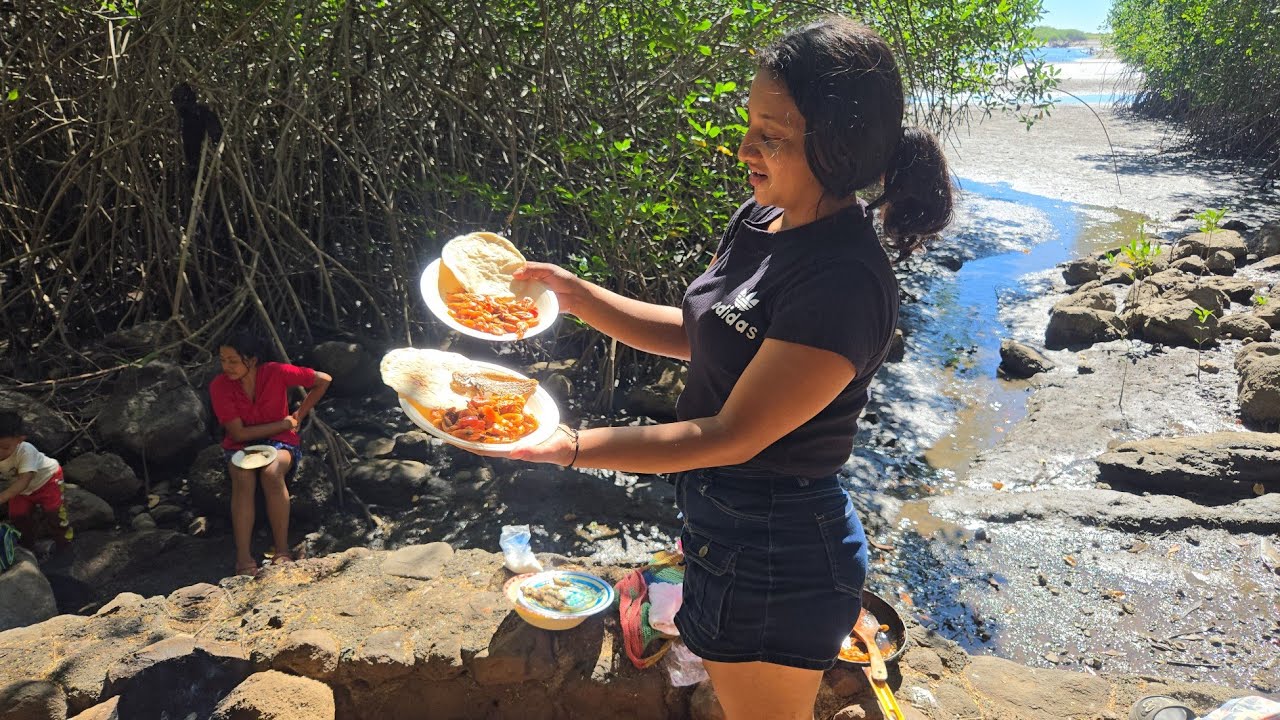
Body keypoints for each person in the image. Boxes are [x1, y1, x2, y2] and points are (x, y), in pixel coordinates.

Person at [473, 16, 953, 720]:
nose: (744, 150)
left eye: (773, 136)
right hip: (722, 528)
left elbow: (729, 434)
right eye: (749, 125)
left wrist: (574, 448)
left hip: (780, 552)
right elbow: (707, 335)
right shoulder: (762, 221)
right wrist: (575, 296)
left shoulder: (844, 281)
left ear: (839, 146)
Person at [209, 331, 331, 576]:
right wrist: (284, 423)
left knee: (272, 471)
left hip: (280, 441)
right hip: (240, 444)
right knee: (243, 476)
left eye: (233, 360)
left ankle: (282, 551)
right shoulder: (219, 386)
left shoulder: (275, 372)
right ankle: (243, 558)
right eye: (223, 360)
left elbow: (323, 380)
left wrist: (299, 414)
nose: (227, 367)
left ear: (251, 360)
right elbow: (240, 434)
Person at [0, 411, 73, 554]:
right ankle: (28, 545)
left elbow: (24, 480)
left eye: (5, 448)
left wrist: (2, 498)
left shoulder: (26, 451)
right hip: (20, 489)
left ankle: (64, 542)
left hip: (47, 480)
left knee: (54, 513)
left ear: (20, 440)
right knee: (17, 515)